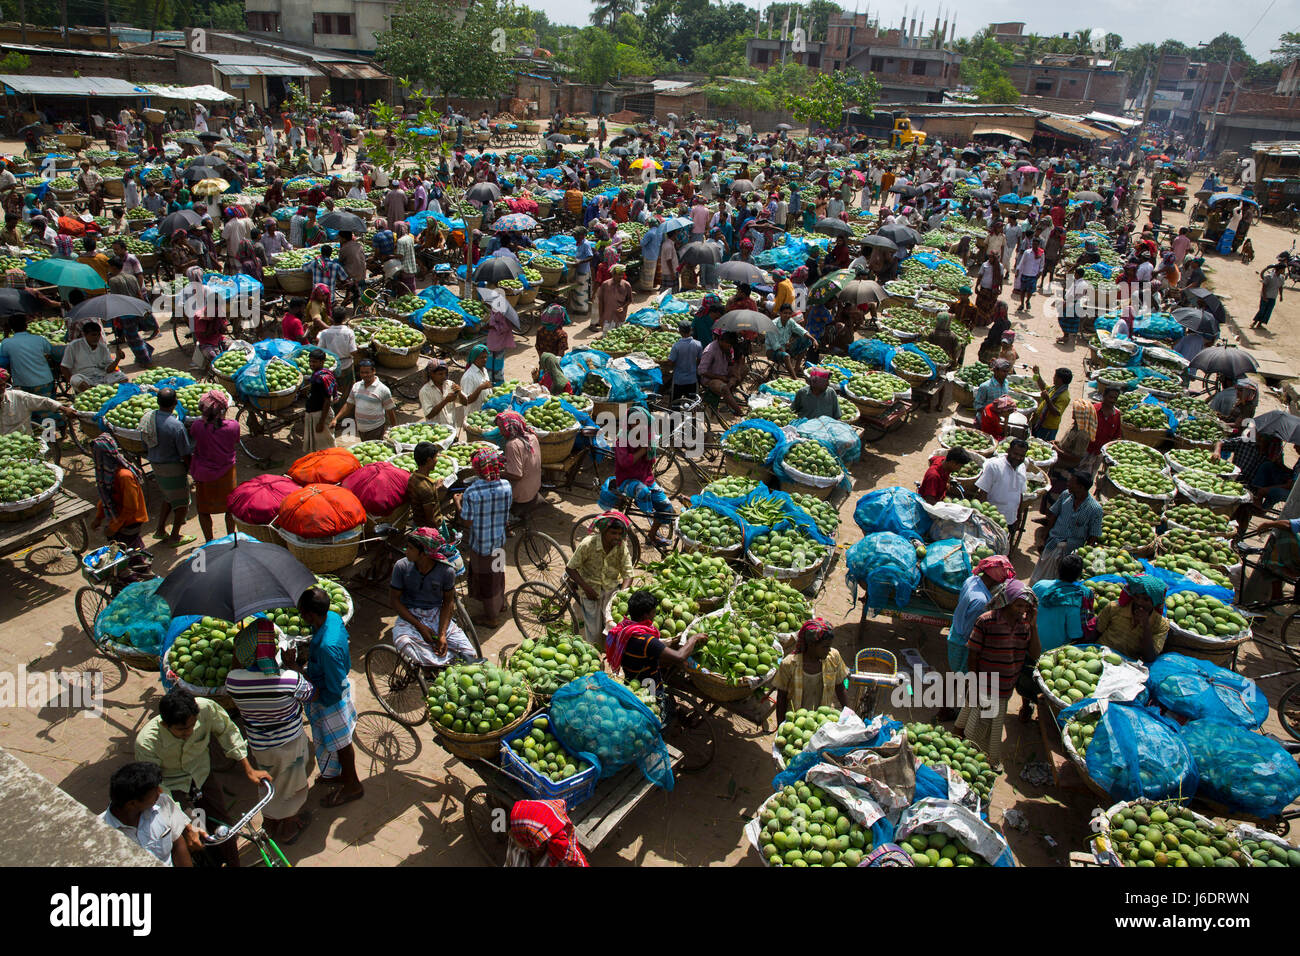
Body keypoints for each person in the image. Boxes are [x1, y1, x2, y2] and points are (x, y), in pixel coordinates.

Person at [134, 686, 268, 867]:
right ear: (165, 725)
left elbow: (227, 731)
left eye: (192, 726)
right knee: (193, 835)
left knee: (224, 827)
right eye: (181, 730)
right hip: (172, 786)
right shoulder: (147, 743)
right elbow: (158, 787)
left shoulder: (206, 708)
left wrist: (248, 768)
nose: (188, 732)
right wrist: (185, 826)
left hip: (202, 774)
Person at [223, 620, 315, 844]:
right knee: (292, 786)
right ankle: (288, 828)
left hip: (260, 745)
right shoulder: (287, 679)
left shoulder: (234, 681)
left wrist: (239, 652)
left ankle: (270, 822)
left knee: (270, 782)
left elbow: (237, 668)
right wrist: (293, 666)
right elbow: (311, 693)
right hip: (290, 743)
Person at [293, 586, 364, 808]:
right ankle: (338, 775)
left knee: (341, 743)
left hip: (331, 698)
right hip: (331, 684)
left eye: (302, 612)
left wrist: (294, 668)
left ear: (309, 615)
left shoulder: (326, 648)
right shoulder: (331, 617)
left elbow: (331, 691)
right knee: (335, 741)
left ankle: (353, 785)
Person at [960, 580, 1040, 768]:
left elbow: (1035, 653)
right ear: (1008, 601)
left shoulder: (1025, 626)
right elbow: (973, 653)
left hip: (1005, 686)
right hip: (985, 684)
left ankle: (984, 759)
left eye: (1026, 606)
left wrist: (1034, 626)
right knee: (977, 726)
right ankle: (972, 759)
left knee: (992, 726)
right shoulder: (987, 620)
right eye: (1018, 605)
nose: (1022, 610)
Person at [390, 527, 482, 667]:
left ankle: (438, 664)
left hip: (436, 613)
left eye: (410, 548)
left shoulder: (446, 571)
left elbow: (448, 602)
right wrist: (420, 626)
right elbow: (395, 601)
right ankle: (438, 665)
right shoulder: (401, 566)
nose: (405, 551)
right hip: (410, 615)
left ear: (424, 554)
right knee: (404, 642)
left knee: (468, 652)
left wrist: (442, 634)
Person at [101, 762, 197, 867]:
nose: (160, 792)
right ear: (132, 803)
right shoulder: (102, 833)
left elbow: (178, 843)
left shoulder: (162, 803)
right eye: (154, 791)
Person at [458, 448, 513, 627]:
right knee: (498, 573)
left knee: (486, 580)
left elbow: (467, 522)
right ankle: (501, 604)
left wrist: (457, 503)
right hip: (499, 541)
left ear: (477, 470)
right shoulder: (506, 486)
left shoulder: (472, 493)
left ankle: (491, 618)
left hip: (481, 546)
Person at [566, 511, 634, 650]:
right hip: (589, 589)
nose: (617, 537)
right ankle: (595, 654)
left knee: (612, 625)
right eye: (613, 533)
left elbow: (628, 573)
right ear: (604, 531)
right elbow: (570, 569)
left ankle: (607, 651)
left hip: (611, 589)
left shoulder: (621, 546)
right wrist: (587, 588)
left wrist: (622, 593)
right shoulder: (588, 544)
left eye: (619, 533)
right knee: (594, 630)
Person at [609, 406, 676, 545]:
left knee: (667, 508)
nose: (639, 424)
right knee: (644, 493)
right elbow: (624, 462)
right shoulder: (622, 437)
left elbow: (651, 461)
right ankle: (648, 511)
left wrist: (650, 449)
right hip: (626, 481)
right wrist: (643, 449)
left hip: (646, 478)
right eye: (635, 421)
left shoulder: (648, 435)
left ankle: (652, 535)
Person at [140, 388, 195, 548]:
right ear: (175, 403)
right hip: (173, 468)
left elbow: (144, 443)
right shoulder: (176, 426)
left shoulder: (148, 418)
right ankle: (175, 536)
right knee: (182, 503)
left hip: (156, 466)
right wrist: (191, 469)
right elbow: (185, 453)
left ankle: (160, 530)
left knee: (168, 497)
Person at [1030, 468, 1104, 584]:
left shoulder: (1095, 509)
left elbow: (1093, 536)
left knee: (1061, 581)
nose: (1067, 484)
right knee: (1040, 577)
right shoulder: (1065, 495)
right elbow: (1053, 516)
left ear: (1081, 487)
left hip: (1071, 551)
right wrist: (1043, 539)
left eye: (1071, 482)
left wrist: (1084, 556)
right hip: (1053, 543)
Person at [772, 618, 850, 723]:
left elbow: (840, 687)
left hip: (821, 721)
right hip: (796, 723)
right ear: (812, 645)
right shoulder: (789, 664)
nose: (829, 650)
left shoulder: (833, 657)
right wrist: (780, 727)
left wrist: (850, 715)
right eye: (825, 646)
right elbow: (781, 699)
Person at [187, 390, 239, 542]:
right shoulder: (233, 426)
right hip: (226, 473)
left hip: (204, 474)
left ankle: (209, 541)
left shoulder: (197, 426)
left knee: (203, 510)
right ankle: (231, 538)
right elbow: (234, 441)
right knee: (230, 508)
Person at [91, 434, 148, 550]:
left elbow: (131, 508)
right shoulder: (108, 474)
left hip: (130, 521)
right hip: (118, 518)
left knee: (129, 549)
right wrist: (99, 517)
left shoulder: (124, 476)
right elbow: (107, 497)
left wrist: (114, 527)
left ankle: (141, 566)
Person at [1095, 574, 1169, 664]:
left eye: (1146, 599)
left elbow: (1149, 657)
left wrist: (1146, 625)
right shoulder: (1114, 608)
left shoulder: (1161, 624)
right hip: (1100, 654)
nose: (1139, 602)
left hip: (1125, 664)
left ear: (1154, 602)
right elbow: (1097, 632)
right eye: (1137, 597)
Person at [507, 799, 590, 868]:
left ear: (537, 846)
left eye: (515, 834)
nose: (509, 833)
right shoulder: (519, 844)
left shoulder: (558, 861)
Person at [974, 437, 1029, 532]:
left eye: (1022, 455)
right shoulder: (994, 466)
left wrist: (1018, 517)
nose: (1018, 458)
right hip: (993, 519)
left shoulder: (1022, 467)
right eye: (1015, 454)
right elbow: (982, 493)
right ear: (1008, 451)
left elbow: (1020, 494)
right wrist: (983, 518)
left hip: (1010, 518)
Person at [333, 358, 396, 442]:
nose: (364, 375)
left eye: (367, 372)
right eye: (362, 372)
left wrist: (394, 429)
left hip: (376, 429)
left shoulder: (383, 390)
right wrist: (336, 419)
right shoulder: (356, 386)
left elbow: (390, 411)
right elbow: (348, 405)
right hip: (361, 429)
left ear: (374, 371)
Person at [0, 368, 73, 436]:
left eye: (3, 384)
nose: (2, 388)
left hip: (22, 441)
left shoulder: (18, 396)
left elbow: (44, 401)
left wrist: (64, 408)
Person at [59, 321, 126, 392]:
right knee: (75, 379)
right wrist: (72, 382)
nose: (96, 338)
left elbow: (108, 370)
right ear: (85, 334)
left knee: (123, 377)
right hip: (84, 378)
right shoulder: (74, 346)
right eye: (93, 335)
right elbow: (64, 367)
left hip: (102, 377)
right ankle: (91, 393)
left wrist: (117, 359)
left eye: (98, 335)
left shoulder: (102, 347)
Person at [496, 410, 542, 515]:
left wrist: (496, 473)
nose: (500, 432)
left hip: (522, 495)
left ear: (510, 427)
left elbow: (516, 475)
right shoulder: (532, 436)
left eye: (501, 428)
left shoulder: (512, 444)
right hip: (534, 487)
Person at [0, 314, 54, 394]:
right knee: (46, 405)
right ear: (26, 326)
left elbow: (3, 360)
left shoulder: (6, 343)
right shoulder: (39, 339)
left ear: (10, 328)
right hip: (44, 380)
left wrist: (6, 334)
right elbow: (50, 352)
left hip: (23, 383)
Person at [698, 331, 746, 415]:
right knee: (724, 388)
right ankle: (739, 411)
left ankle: (729, 396)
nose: (730, 347)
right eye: (729, 345)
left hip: (724, 373)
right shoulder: (710, 351)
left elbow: (731, 363)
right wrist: (721, 377)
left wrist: (734, 374)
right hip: (710, 379)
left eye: (731, 345)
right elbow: (702, 371)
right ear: (722, 341)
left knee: (745, 369)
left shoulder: (727, 348)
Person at [317, 306, 359, 400]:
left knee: (332, 391)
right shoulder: (349, 332)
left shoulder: (324, 333)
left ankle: (334, 410)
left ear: (331, 317)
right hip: (346, 366)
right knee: (346, 392)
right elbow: (353, 351)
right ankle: (344, 411)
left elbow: (320, 350)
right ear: (345, 318)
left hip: (331, 367)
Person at [1079, 384, 1122, 475]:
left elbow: (1116, 436)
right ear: (1104, 396)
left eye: (1115, 398)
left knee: (1091, 476)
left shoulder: (1117, 414)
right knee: (1078, 474)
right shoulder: (1093, 410)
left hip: (1099, 454)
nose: (1113, 400)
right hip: (1085, 450)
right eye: (1110, 397)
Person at [765, 302, 813, 377]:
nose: (787, 315)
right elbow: (776, 345)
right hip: (772, 351)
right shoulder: (773, 325)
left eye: (789, 313)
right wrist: (787, 355)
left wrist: (813, 339)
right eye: (785, 313)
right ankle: (795, 379)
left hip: (784, 347)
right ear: (780, 313)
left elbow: (802, 330)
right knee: (786, 356)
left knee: (806, 341)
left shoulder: (790, 321)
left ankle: (796, 369)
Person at [303, 348, 337, 452]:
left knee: (325, 447)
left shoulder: (321, 378)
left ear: (322, 362)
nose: (311, 364)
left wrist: (321, 422)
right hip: (315, 413)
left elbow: (327, 401)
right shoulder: (318, 374)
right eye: (310, 361)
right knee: (319, 446)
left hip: (320, 414)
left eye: (314, 362)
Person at [1029, 367, 1072, 441]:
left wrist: (1047, 399)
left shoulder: (1064, 396)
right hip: (1039, 422)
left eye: (1055, 376)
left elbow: (1056, 412)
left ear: (1060, 380)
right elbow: (1044, 387)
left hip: (1047, 428)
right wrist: (1037, 374)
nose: (1053, 377)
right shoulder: (1055, 388)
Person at [418, 360, 461, 430]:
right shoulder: (425, 391)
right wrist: (445, 401)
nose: (444, 376)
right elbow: (429, 415)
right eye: (440, 374)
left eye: (445, 374)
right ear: (432, 374)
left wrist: (460, 392)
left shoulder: (449, 384)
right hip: (436, 431)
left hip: (452, 428)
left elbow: (465, 402)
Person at [667, 319, 703, 402]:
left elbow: (671, 362)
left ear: (679, 331)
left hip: (678, 380)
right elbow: (700, 360)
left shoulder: (676, 346)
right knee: (692, 404)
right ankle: (691, 415)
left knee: (675, 403)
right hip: (692, 379)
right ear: (691, 331)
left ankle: (676, 415)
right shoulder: (698, 344)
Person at [595, 262, 633, 332]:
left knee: (618, 336)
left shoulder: (627, 285)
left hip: (620, 317)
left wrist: (623, 307)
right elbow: (601, 302)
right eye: (619, 275)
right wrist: (600, 317)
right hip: (607, 317)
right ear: (613, 274)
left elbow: (629, 300)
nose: (621, 276)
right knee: (606, 338)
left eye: (622, 274)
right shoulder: (605, 285)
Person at [1250, 262, 1285, 330]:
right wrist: (1264, 296)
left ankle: (1259, 324)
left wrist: (1281, 295)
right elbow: (1264, 287)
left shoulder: (1281, 278)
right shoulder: (1269, 277)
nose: (1284, 271)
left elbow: (1280, 287)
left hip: (1273, 297)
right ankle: (1254, 323)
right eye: (1283, 269)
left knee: (1268, 311)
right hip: (1266, 296)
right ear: (1279, 269)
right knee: (1262, 310)